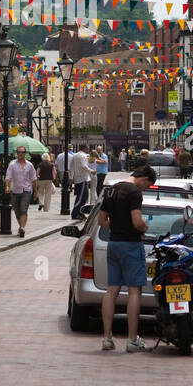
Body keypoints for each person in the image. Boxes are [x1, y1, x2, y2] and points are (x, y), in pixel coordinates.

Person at [98, 164, 154, 352]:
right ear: (144, 178)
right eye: (146, 186)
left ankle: (107, 337)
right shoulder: (134, 193)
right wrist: (145, 228)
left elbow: (101, 221)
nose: (143, 189)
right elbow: (137, 222)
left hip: (113, 244)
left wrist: (117, 224)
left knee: (111, 291)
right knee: (134, 291)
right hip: (131, 245)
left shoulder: (111, 189)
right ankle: (132, 340)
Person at [6, 145, 37, 238]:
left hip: (26, 190)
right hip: (15, 190)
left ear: (25, 153)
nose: (20, 154)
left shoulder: (30, 165)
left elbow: (33, 179)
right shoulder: (12, 164)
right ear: (16, 153)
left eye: (22, 152)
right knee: (17, 211)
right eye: (19, 152)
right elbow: (8, 177)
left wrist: (36, 191)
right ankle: (20, 227)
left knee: (23, 209)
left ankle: (22, 227)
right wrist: (7, 187)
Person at [68, 146, 92, 214]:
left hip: (77, 178)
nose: (88, 150)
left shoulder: (74, 155)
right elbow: (84, 165)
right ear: (85, 149)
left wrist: (71, 177)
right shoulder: (83, 156)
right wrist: (91, 171)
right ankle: (76, 213)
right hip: (82, 178)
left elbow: (71, 167)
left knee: (82, 196)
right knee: (82, 197)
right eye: (88, 149)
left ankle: (79, 212)